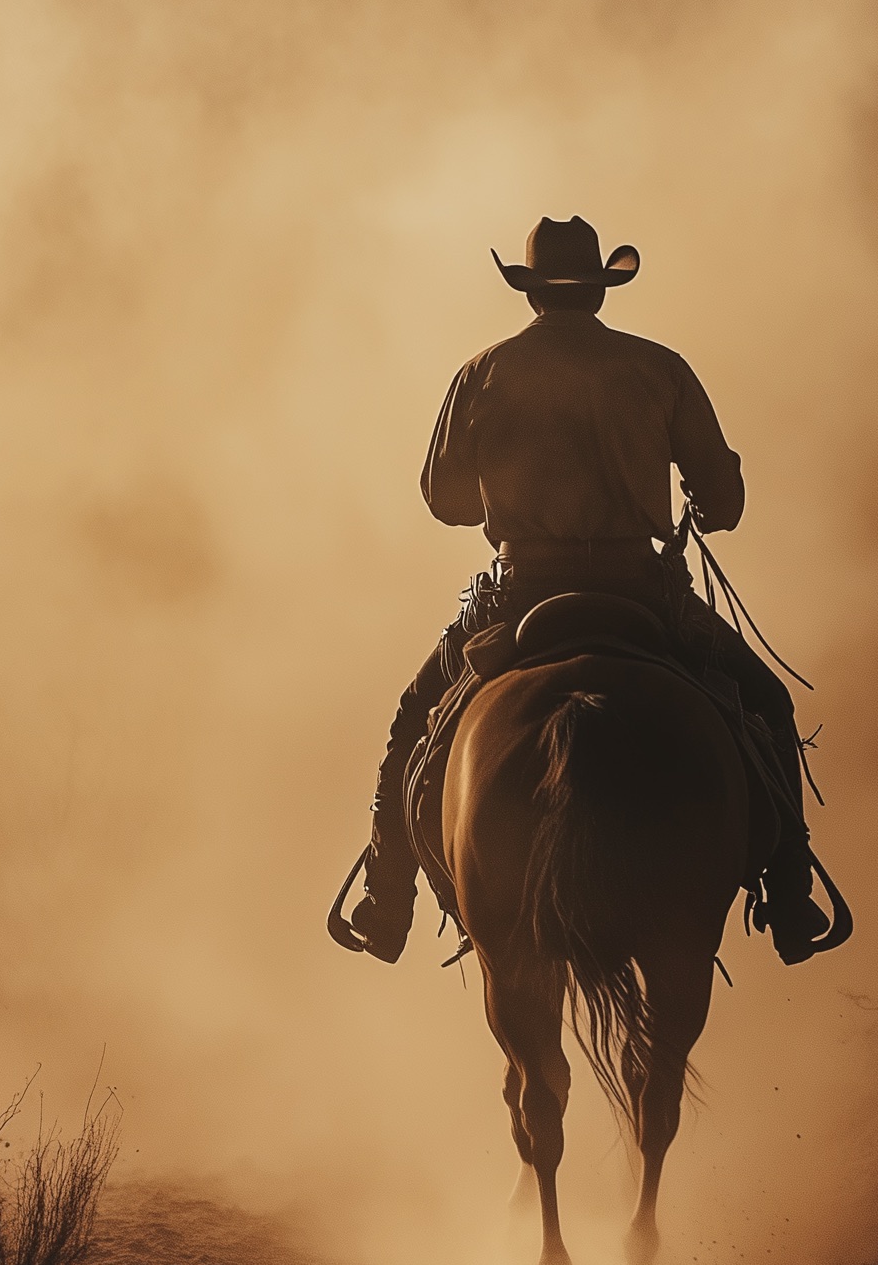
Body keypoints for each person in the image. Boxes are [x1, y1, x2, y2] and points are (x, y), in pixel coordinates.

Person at [338, 215, 837, 965]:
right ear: (601, 291)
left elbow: (446, 500)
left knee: (412, 724)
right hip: (642, 589)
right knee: (767, 702)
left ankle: (387, 905)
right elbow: (723, 502)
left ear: (532, 293)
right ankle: (791, 897)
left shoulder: (484, 372)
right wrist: (701, 502)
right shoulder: (661, 368)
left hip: (520, 592)